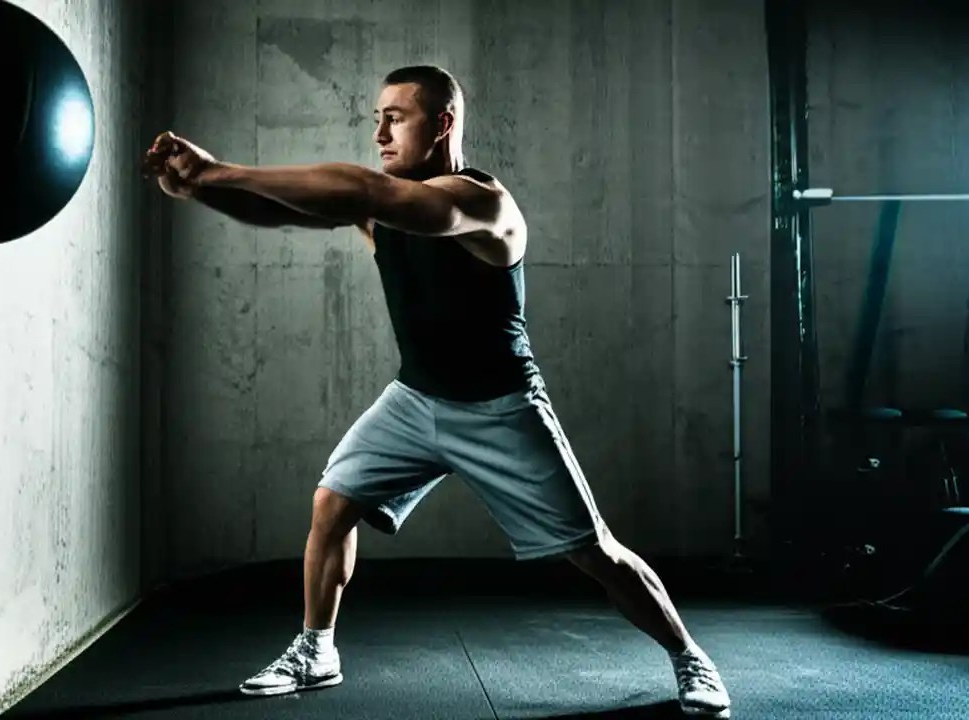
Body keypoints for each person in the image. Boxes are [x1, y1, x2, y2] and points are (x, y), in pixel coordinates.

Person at [141, 65, 732, 718]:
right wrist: (197, 189)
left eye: (396, 117)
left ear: (444, 122)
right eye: (376, 119)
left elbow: (363, 190)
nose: (381, 133)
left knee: (594, 551)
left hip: (502, 409)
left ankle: (689, 658)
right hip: (416, 400)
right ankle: (316, 649)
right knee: (332, 503)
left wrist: (216, 171)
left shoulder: (483, 205)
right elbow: (287, 210)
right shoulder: (382, 208)